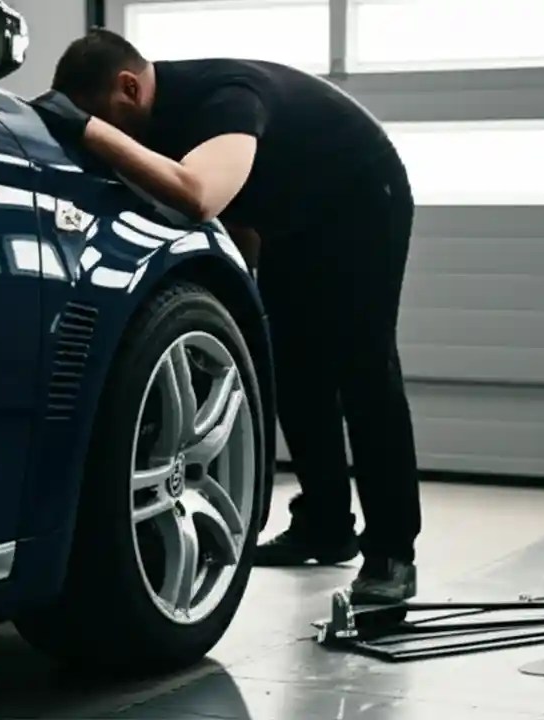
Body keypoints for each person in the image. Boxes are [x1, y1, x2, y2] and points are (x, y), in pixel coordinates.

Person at [31, 29, 421, 602]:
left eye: (106, 116)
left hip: (362, 198)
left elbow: (201, 195)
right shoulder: (152, 118)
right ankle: (325, 525)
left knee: (364, 370)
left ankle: (392, 553)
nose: (108, 131)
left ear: (130, 87)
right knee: (295, 372)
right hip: (291, 219)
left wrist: (84, 127)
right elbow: (231, 219)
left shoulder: (225, 99)